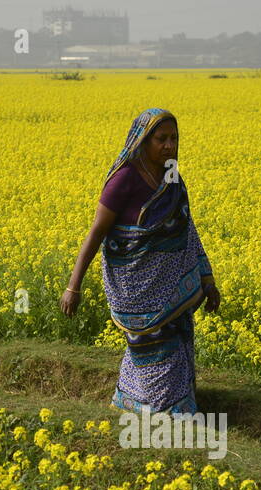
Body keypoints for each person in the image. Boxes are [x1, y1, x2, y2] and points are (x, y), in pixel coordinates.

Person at [59, 107, 219, 415]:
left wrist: (206, 278)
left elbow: (186, 228)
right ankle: (162, 409)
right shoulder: (124, 180)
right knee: (147, 344)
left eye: (174, 138)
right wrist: (73, 287)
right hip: (134, 285)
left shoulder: (171, 176)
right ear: (143, 140)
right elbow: (96, 233)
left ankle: (160, 406)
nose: (169, 146)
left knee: (172, 342)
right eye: (161, 139)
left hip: (172, 281)